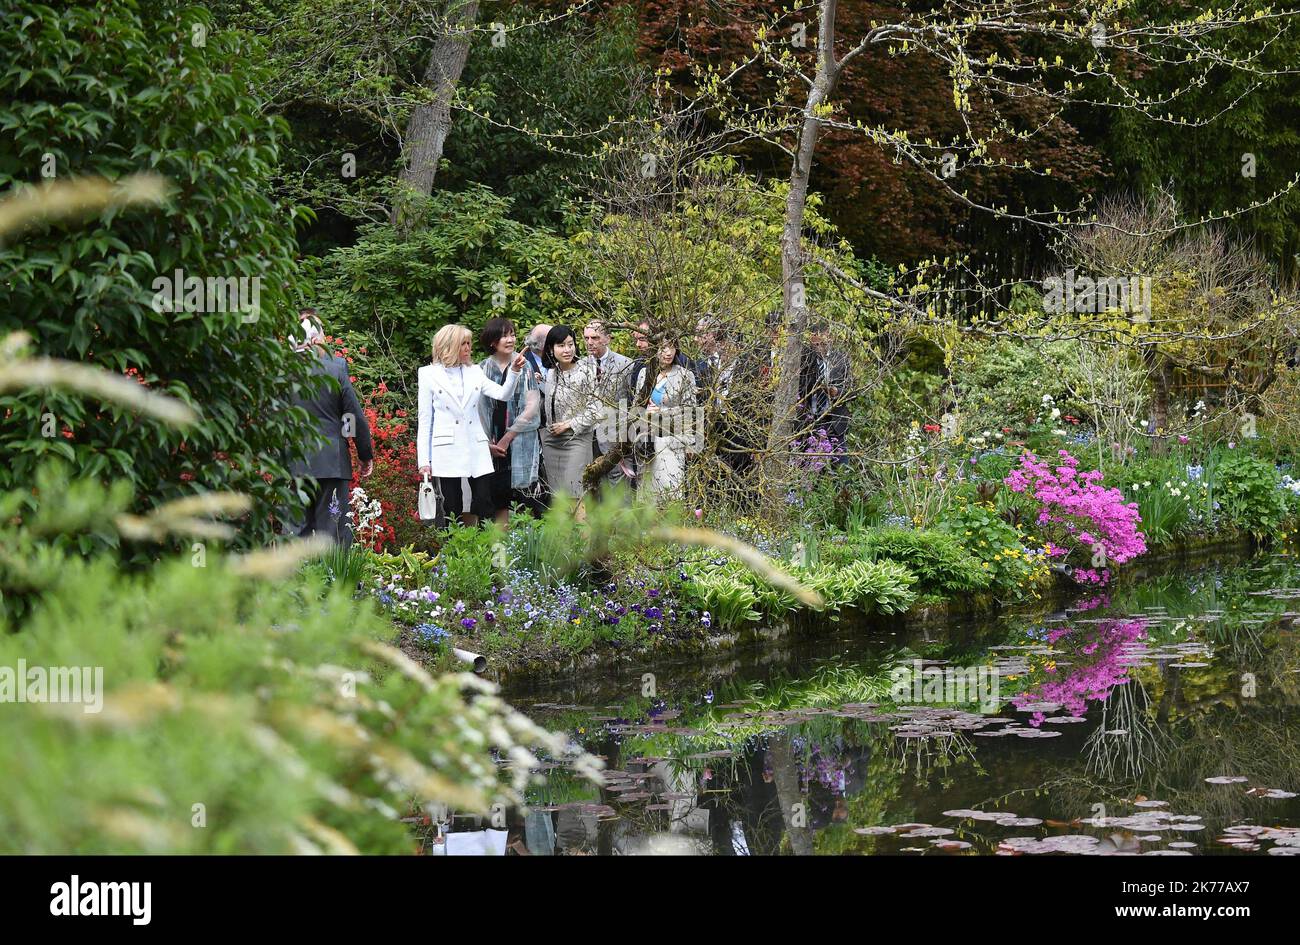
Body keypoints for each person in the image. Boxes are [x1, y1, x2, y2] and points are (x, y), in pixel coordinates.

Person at [417, 323, 525, 526]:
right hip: (446, 449)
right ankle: (454, 553)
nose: (469, 348)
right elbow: (425, 419)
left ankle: (485, 550)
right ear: (449, 346)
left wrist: (514, 371)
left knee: (484, 502)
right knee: (452, 506)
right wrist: (424, 461)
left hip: (476, 447)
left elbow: (502, 394)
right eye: (463, 344)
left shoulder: (475, 371)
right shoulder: (428, 374)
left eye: (469, 343)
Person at [288, 310, 374, 545]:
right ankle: (336, 581)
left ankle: (296, 580)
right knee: (335, 532)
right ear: (316, 338)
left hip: (295, 461)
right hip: (332, 459)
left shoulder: (283, 372)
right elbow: (349, 414)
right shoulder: (335, 368)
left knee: (297, 531)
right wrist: (361, 452)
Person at [477, 317, 542, 524]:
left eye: (512, 334)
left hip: (520, 441)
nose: (510, 339)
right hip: (491, 444)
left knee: (525, 499)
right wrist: (487, 443)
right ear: (492, 341)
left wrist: (507, 438)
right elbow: (476, 409)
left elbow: (532, 407)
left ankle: (526, 547)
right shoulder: (481, 369)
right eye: (504, 335)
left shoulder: (525, 366)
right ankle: (502, 547)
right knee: (499, 500)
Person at [539, 325, 603, 502]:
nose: (567, 350)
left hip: (577, 438)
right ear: (551, 349)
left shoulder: (585, 370)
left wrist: (568, 424)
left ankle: (583, 530)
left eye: (570, 344)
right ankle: (566, 531)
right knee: (559, 498)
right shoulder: (551, 373)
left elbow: (596, 410)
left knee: (575, 494)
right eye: (561, 345)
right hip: (552, 441)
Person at [630, 339, 697, 501]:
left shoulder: (685, 375)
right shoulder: (644, 373)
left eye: (672, 347)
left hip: (673, 441)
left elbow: (691, 412)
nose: (668, 352)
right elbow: (634, 409)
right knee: (648, 500)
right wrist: (645, 411)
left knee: (670, 497)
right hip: (648, 444)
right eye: (663, 348)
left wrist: (662, 413)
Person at [583, 319, 634, 485]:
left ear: (607, 338)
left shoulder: (626, 364)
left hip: (615, 435)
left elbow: (631, 402)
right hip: (587, 434)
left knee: (618, 486)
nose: (590, 342)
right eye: (586, 338)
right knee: (592, 484)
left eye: (595, 338)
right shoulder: (580, 365)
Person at [798, 320, 851, 447]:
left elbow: (852, 391)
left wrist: (836, 392)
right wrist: (815, 386)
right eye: (815, 345)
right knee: (807, 464)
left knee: (840, 465)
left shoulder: (841, 359)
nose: (819, 347)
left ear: (830, 337)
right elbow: (798, 388)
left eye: (822, 343)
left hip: (835, 424)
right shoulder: (804, 358)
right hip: (809, 422)